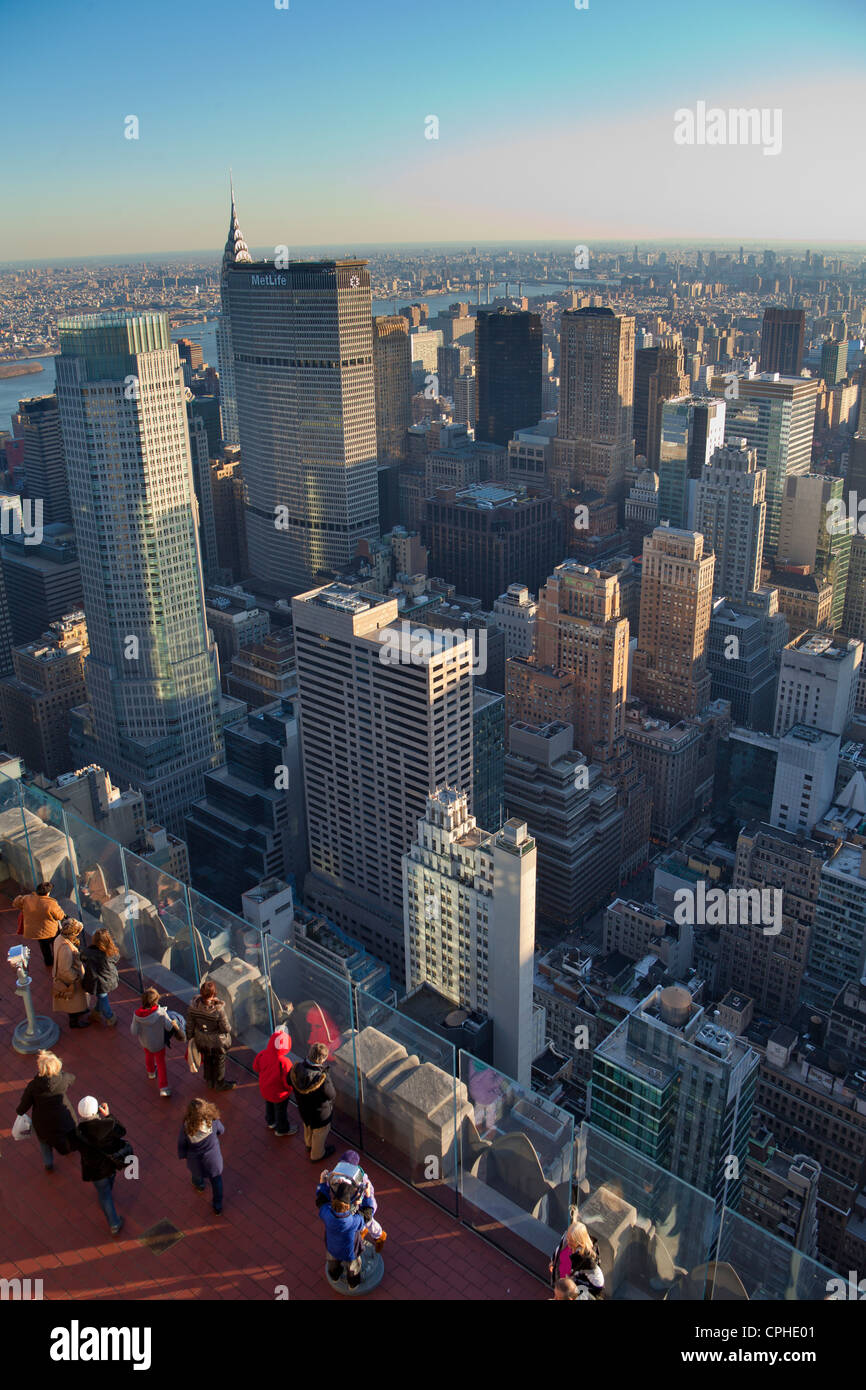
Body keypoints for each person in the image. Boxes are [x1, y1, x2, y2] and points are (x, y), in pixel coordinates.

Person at [72, 1096, 127, 1236]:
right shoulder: (107, 1125)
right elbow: (122, 1131)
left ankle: (113, 1222)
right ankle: (114, 1222)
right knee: (108, 1185)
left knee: (104, 1194)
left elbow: (73, 1146)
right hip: (110, 1164)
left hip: (94, 1170)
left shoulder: (78, 1132)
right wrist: (109, 1115)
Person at [14, 1050, 77, 1171]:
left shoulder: (33, 1086)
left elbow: (23, 1106)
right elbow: (73, 1078)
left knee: (44, 1142)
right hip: (64, 1118)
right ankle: (68, 1149)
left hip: (42, 1123)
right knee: (68, 1135)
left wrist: (19, 1112)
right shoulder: (63, 1078)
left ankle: (48, 1163)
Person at [315, 1166, 371, 1288]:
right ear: (348, 1205)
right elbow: (366, 1215)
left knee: (333, 1263)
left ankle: (334, 1276)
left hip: (332, 1247)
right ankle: (353, 1284)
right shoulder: (353, 1221)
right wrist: (367, 1197)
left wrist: (322, 1182)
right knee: (353, 1268)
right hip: (350, 1252)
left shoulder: (326, 1213)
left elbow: (321, 1200)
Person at [130, 987, 182, 1097]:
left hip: (145, 1042)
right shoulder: (161, 1013)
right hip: (158, 1043)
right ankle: (163, 1088)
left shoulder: (137, 1014)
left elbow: (134, 1031)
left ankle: (151, 1073)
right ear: (155, 1001)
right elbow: (168, 1027)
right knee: (161, 1063)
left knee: (148, 1055)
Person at [290, 1042, 336, 1163]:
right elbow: (331, 1094)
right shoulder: (322, 1078)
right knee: (319, 1133)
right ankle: (317, 1154)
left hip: (304, 1110)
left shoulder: (297, 1068)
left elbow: (288, 1080)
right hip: (320, 1114)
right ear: (322, 1059)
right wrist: (326, 1075)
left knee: (308, 1127)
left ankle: (308, 1145)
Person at [178, 1098, 225, 1214]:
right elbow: (221, 1130)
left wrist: (183, 1155)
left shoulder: (187, 1127)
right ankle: (217, 1205)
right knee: (217, 1181)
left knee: (197, 1174)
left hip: (196, 1160)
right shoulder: (213, 1121)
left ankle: (199, 1185)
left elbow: (182, 1143)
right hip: (213, 1159)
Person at [186, 981, 235, 1092]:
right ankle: (220, 1083)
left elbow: (189, 1024)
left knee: (207, 1058)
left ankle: (209, 1080)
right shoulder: (218, 1010)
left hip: (201, 1039)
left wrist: (190, 1037)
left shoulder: (193, 1006)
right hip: (217, 1041)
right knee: (220, 1061)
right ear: (213, 994)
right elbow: (226, 1028)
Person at [335, 1150, 387, 1251]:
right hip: (353, 1205)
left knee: (370, 1223)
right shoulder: (342, 1174)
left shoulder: (361, 1178)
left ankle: (379, 1236)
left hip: (364, 1205)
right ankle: (362, 1231)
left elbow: (369, 1191)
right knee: (358, 1223)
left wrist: (362, 1198)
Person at [252, 1026, 298, 1137]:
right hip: (279, 1093)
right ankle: (282, 1130)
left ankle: (271, 1122)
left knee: (269, 1104)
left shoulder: (263, 1054)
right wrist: (289, 1089)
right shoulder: (284, 1061)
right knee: (281, 1111)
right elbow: (288, 1080)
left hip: (265, 1089)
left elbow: (256, 1067)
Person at [14, 882, 65, 968]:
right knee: (56, 944)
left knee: (44, 947)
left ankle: (48, 962)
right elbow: (60, 916)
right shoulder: (50, 903)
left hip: (36, 931)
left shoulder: (27, 899)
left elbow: (16, 902)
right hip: (51, 930)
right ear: (48, 893)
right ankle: (58, 960)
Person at [549, 1220, 604, 1299]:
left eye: (571, 1240)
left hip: (574, 1287)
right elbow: (559, 1249)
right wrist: (553, 1261)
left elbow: (598, 1284)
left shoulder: (587, 1259)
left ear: (579, 1240)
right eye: (568, 1238)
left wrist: (573, 1283)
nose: (568, 1242)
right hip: (563, 1281)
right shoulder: (567, 1238)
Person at [52, 917, 90, 1028]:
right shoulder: (66, 948)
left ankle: (79, 1012)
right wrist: (76, 976)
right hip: (70, 981)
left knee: (74, 1001)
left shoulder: (59, 938)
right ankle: (75, 1022)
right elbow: (65, 969)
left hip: (66, 978)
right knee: (73, 1003)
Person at [79, 928, 120, 1027]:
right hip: (108, 979)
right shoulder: (111, 951)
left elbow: (82, 958)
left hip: (96, 981)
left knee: (102, 997)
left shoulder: (88, 952)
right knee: (102, 996)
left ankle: (109, 1017)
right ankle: (96, 1012)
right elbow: (116, 959)